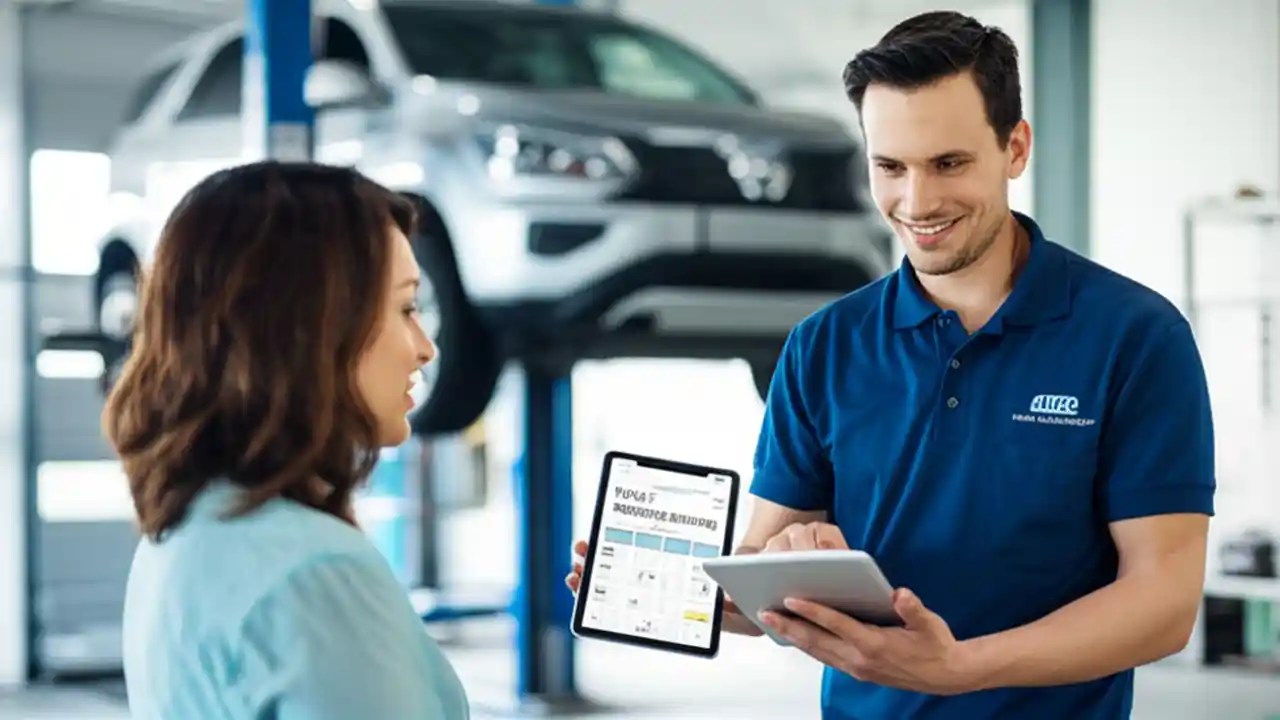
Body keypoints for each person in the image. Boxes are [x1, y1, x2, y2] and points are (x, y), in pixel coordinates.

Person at [568, 10, 1214, 719]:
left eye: (949, 163)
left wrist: (961, 669)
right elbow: (765, 575)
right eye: (890, 166)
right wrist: (695, 590)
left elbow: (1163, 603)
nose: (917, 202)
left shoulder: (1135, 337)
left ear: (1015, 147)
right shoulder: (823, 346)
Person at [108, 161, 470, 719]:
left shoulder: (181, 535)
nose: (426, 348)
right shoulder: (317, 572)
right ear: (310, 327)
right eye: (405, 308)